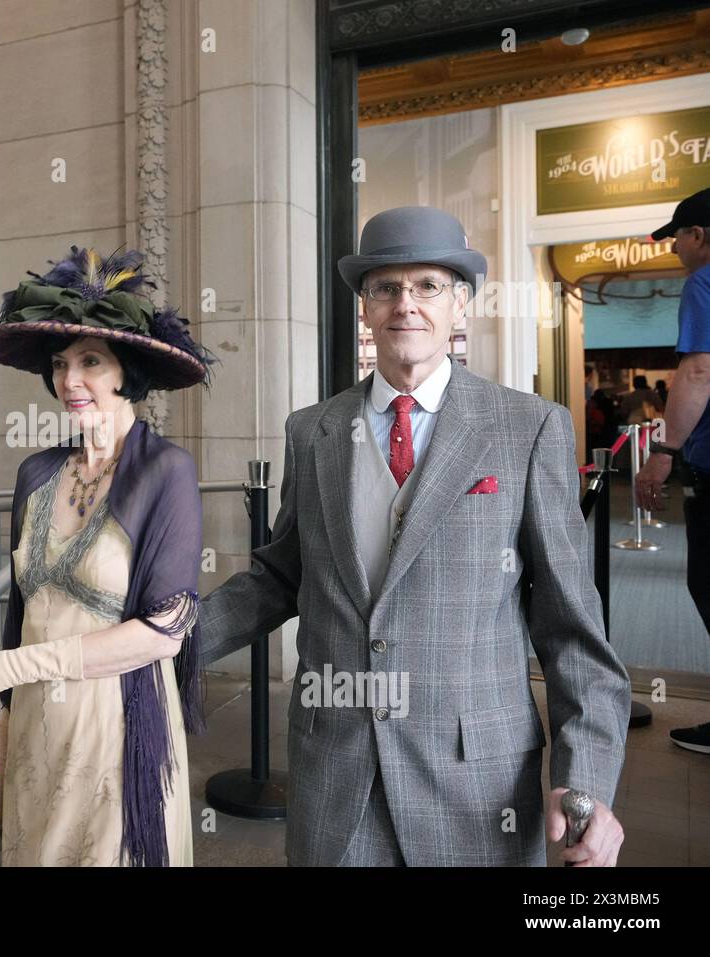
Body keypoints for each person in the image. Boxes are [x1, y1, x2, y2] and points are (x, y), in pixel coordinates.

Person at [199, 206, 631, 866]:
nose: (407, 303)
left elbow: (572, 629)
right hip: (336, 780)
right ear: (365, 307)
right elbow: (282, 574)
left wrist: (588, 780)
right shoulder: (311, 432)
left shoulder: (527, 428)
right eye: (386, 287)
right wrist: (169, 638)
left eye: (428, 285)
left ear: (460, 304)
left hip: (476, 789)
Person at [0, 246, 214, 866]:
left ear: (127, 373)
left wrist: (7, 669)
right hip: (39, 724)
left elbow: (164, 633)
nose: (70, 381)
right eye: (61, 364)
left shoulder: (165, 472)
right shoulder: (36, 472)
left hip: (115, 725)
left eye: (91, 362)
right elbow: (20, 617)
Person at [635, 187, 710, 754]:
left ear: (699, 236)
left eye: (678, 237)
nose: (677, 249)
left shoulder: (704, 282)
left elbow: (699, 370)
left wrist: (663, 452)